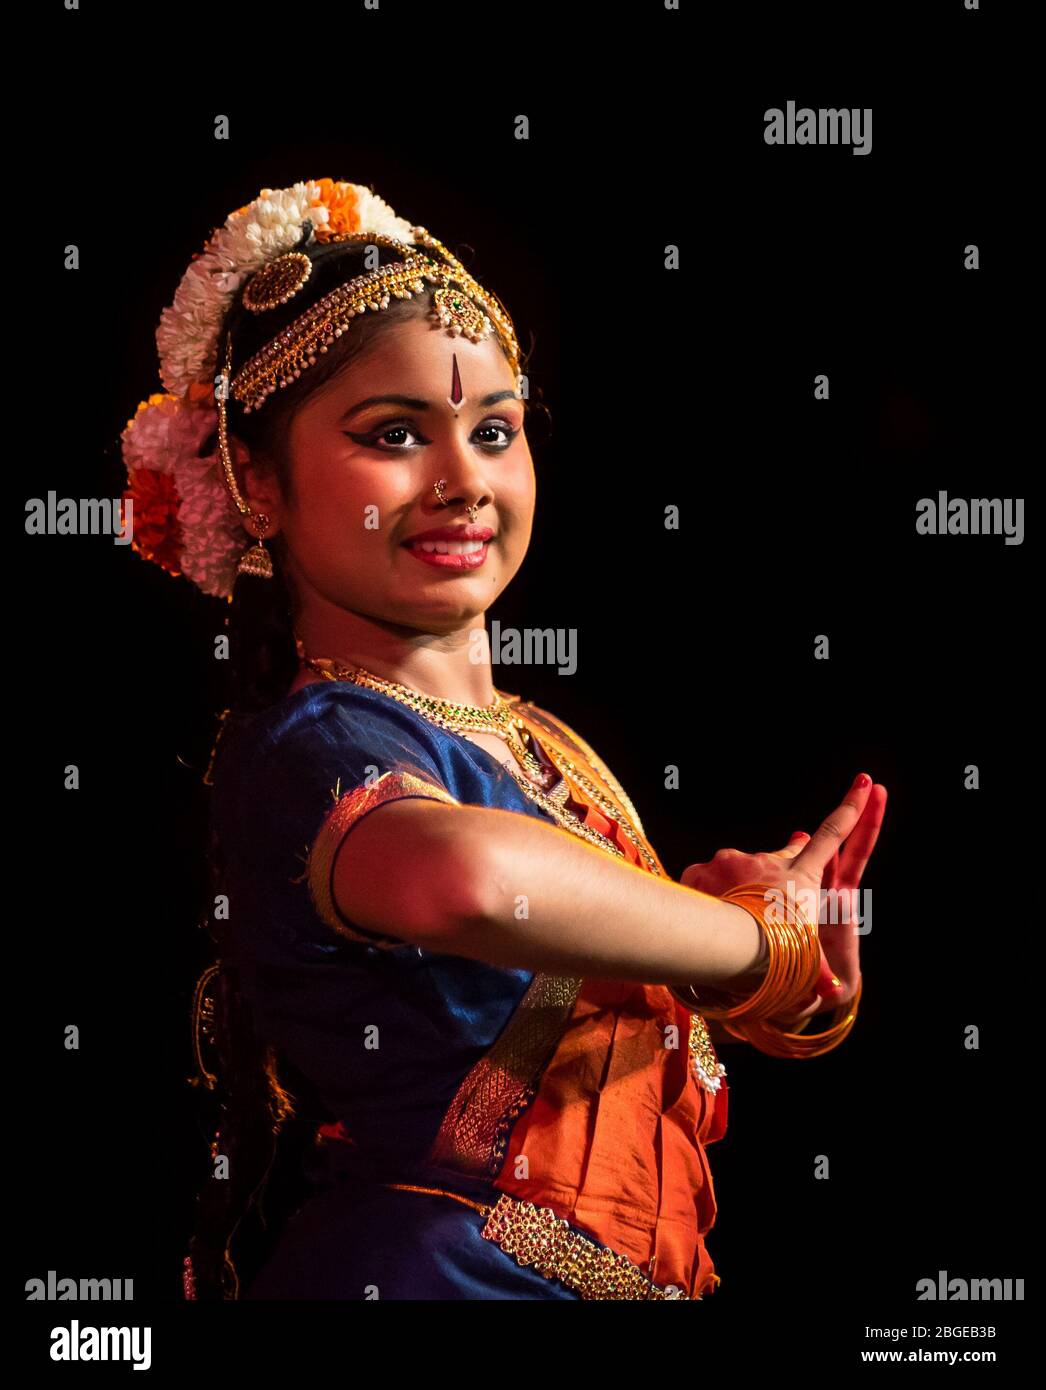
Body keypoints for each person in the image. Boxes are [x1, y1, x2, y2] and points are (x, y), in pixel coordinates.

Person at [120, 177, 888, 1301]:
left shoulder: (538, 742)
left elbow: (585, 976)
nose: (464, 481)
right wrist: (742, 944)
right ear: (255, 481)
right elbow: (471, 879)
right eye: (394, 435)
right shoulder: (314, 737)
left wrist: (786, 989)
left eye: (493, 430)